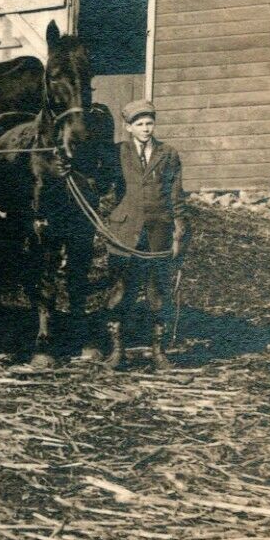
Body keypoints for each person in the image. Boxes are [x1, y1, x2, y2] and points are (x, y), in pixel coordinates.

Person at [102, 99, 187, 369]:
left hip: (157, 233)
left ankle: (158, 353)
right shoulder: (117, 153)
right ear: (128, 128)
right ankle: (117, 352)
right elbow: (102, 187)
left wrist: (179, 229)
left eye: (149, 123)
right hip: (124, 234)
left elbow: (176, 195)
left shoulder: (168, 153)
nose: (146, 128)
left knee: (157, 294)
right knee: (120, 293)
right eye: (139, 124)